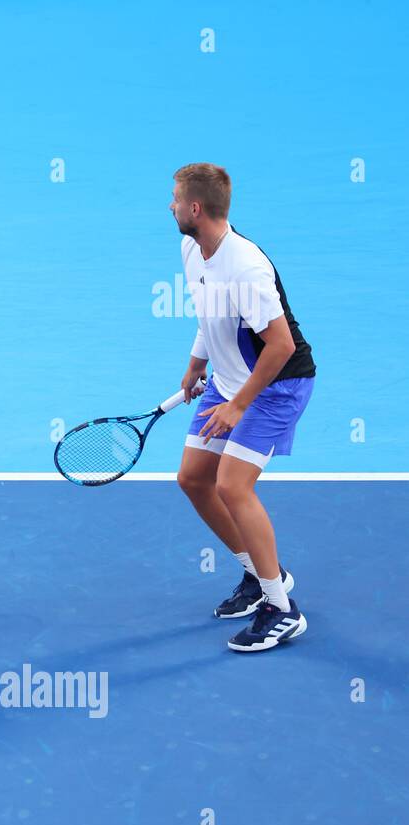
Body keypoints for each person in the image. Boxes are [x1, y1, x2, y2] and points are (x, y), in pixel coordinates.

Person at [170, 163, 317, 651]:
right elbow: (210, 314)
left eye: (174, 199)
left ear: (195, 208)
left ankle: (282, 608)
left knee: (233, 485)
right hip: (228, 379)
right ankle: (259, 574)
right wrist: (196, 365)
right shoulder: (192, 248)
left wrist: (237, 404)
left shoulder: (247, 266)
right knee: (193, 478)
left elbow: (278, 347)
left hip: (275, 386)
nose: (169, 206)